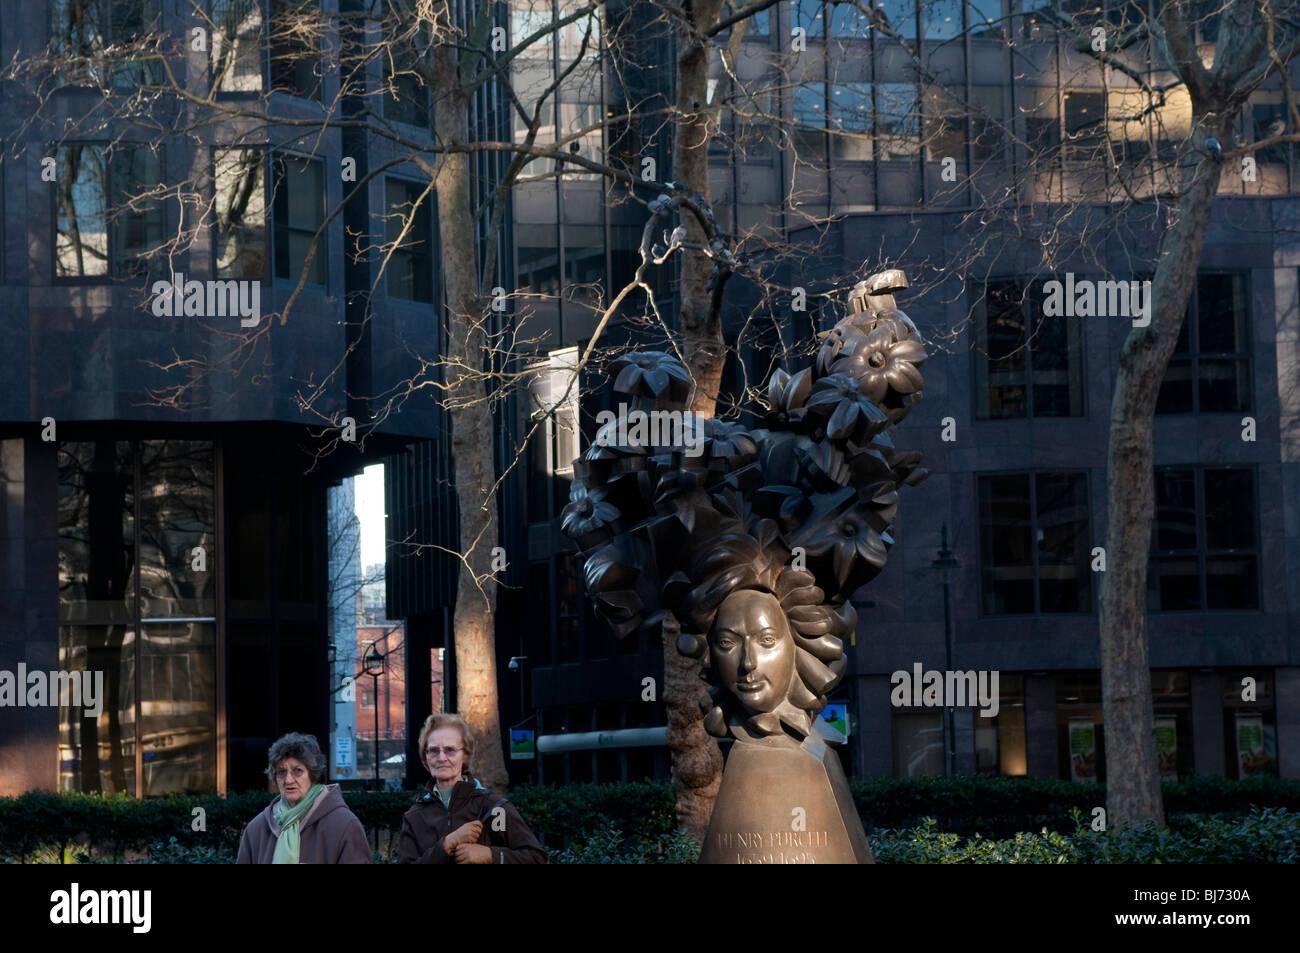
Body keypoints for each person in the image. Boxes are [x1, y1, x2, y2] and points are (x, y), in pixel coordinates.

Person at [397, 713, 547, 864]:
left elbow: (537, 859)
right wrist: (447, 844)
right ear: (426, 756)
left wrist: (490, 855)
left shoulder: (494, 809)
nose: (441, 758)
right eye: (434, 750)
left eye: (450, 750)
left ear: (465, 755)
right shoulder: (414, 817)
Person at [237, 732, 371, 864]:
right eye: (281, 772)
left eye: (297, 771)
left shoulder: (345, 825)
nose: (288, 780)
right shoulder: (257, 828)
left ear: (312, 774)